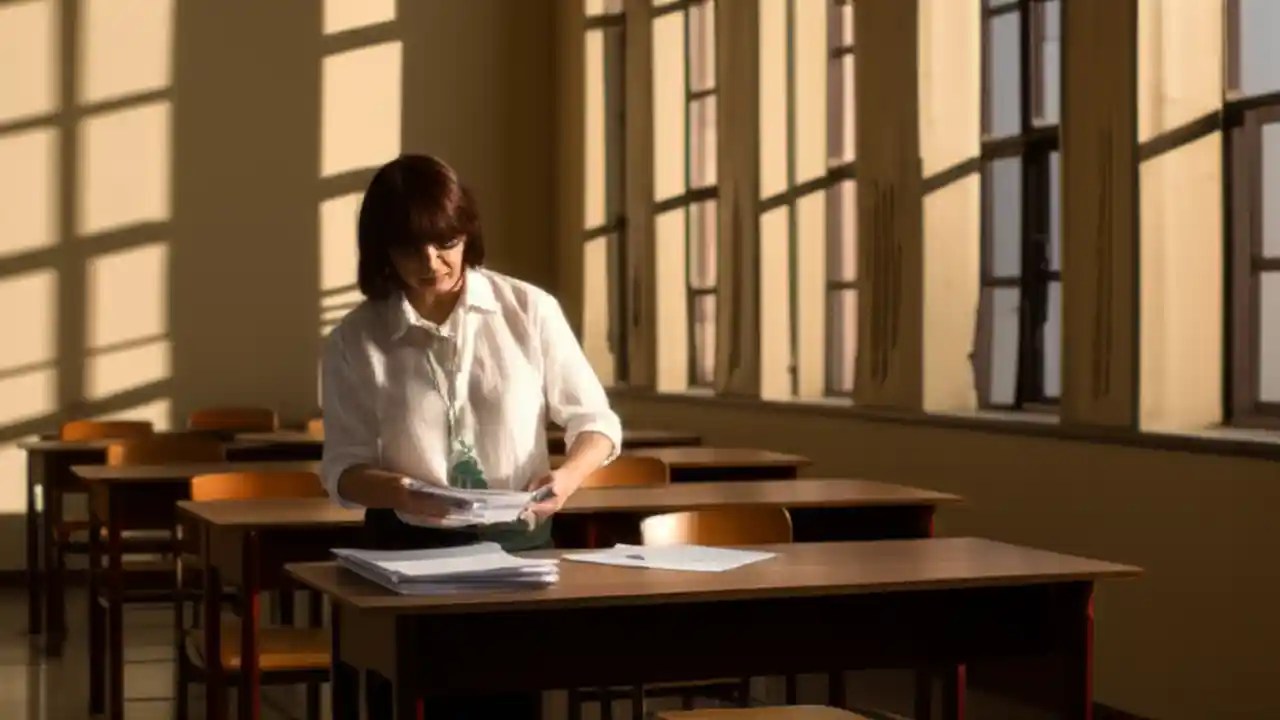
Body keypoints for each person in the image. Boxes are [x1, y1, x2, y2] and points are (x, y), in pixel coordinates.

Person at [319, 154, 622, 717]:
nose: (433, 262)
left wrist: (569, 476)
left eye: (447, 243)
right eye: (411, 248)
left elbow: (597, 422)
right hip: (405, 558)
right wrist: (406, 493)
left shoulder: (529, 310)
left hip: (516, 551)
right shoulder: (354, 340)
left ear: (468, 234)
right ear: (382, 250)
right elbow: (344, 468)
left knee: (505, 706)